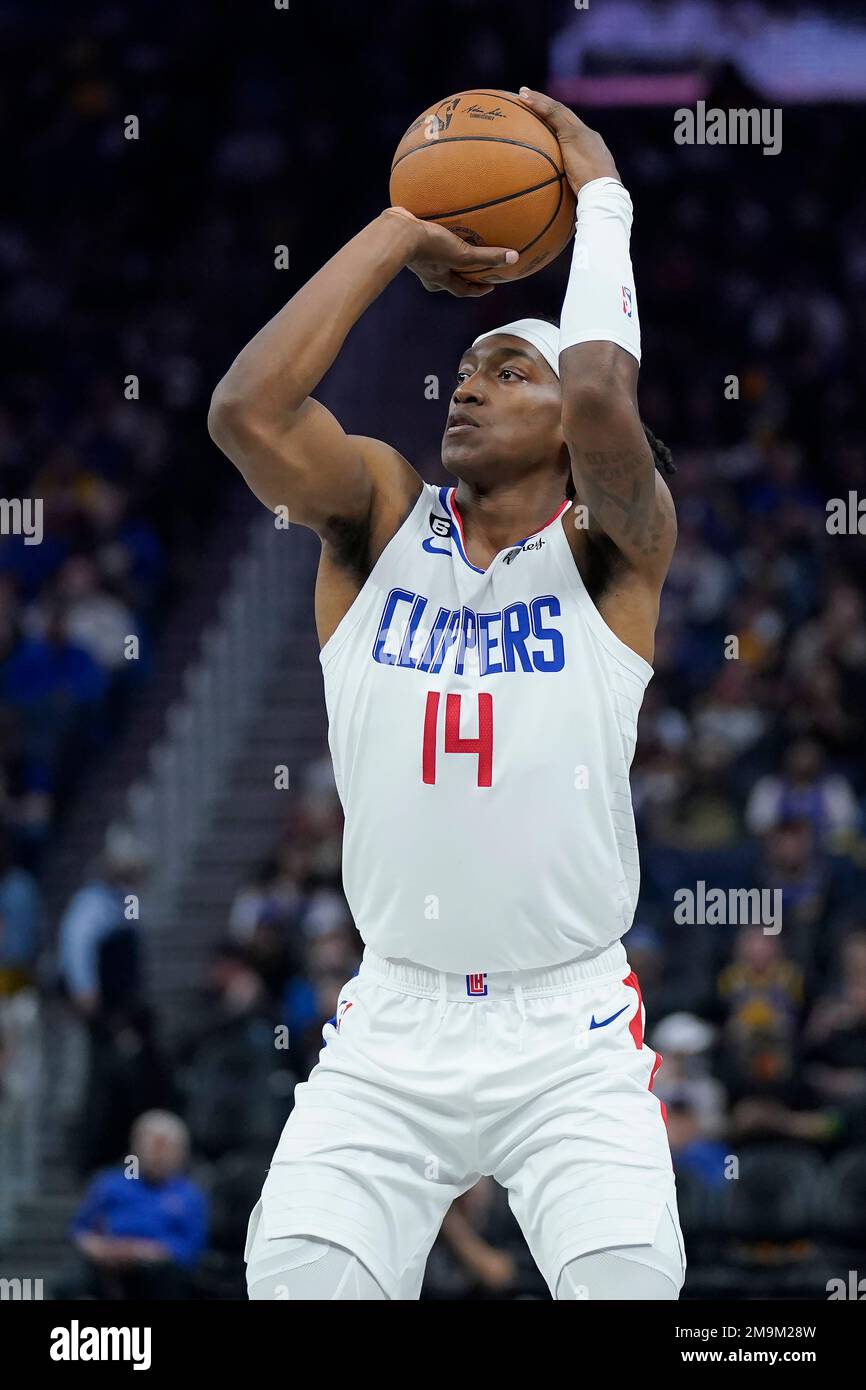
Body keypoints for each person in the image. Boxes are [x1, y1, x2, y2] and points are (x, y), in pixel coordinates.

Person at [209, 89, 683, 1301]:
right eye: (467, 368)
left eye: (507, 369)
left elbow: (602, 401)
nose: (467, 387)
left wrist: (602, 200)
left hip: (568, 1029)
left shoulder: (611, 554)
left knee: (632, 1288)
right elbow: (245, 413)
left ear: (563, 432)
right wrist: (399, 229)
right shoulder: (378, 516)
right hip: (392, 1025)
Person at [62, 1111, 207, 1300]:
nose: (157, 1155)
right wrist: (97, 1247)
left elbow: (192, 1248)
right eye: (152, 1145)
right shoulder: (108, 1183)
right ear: (136, 1146)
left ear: (180, 1153)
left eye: (164, 1147)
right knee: (69, 1284)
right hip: (107, 1267)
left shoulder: (190, 1195)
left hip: (159, 1272)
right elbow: (79, 1230)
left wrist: (147, 1251)